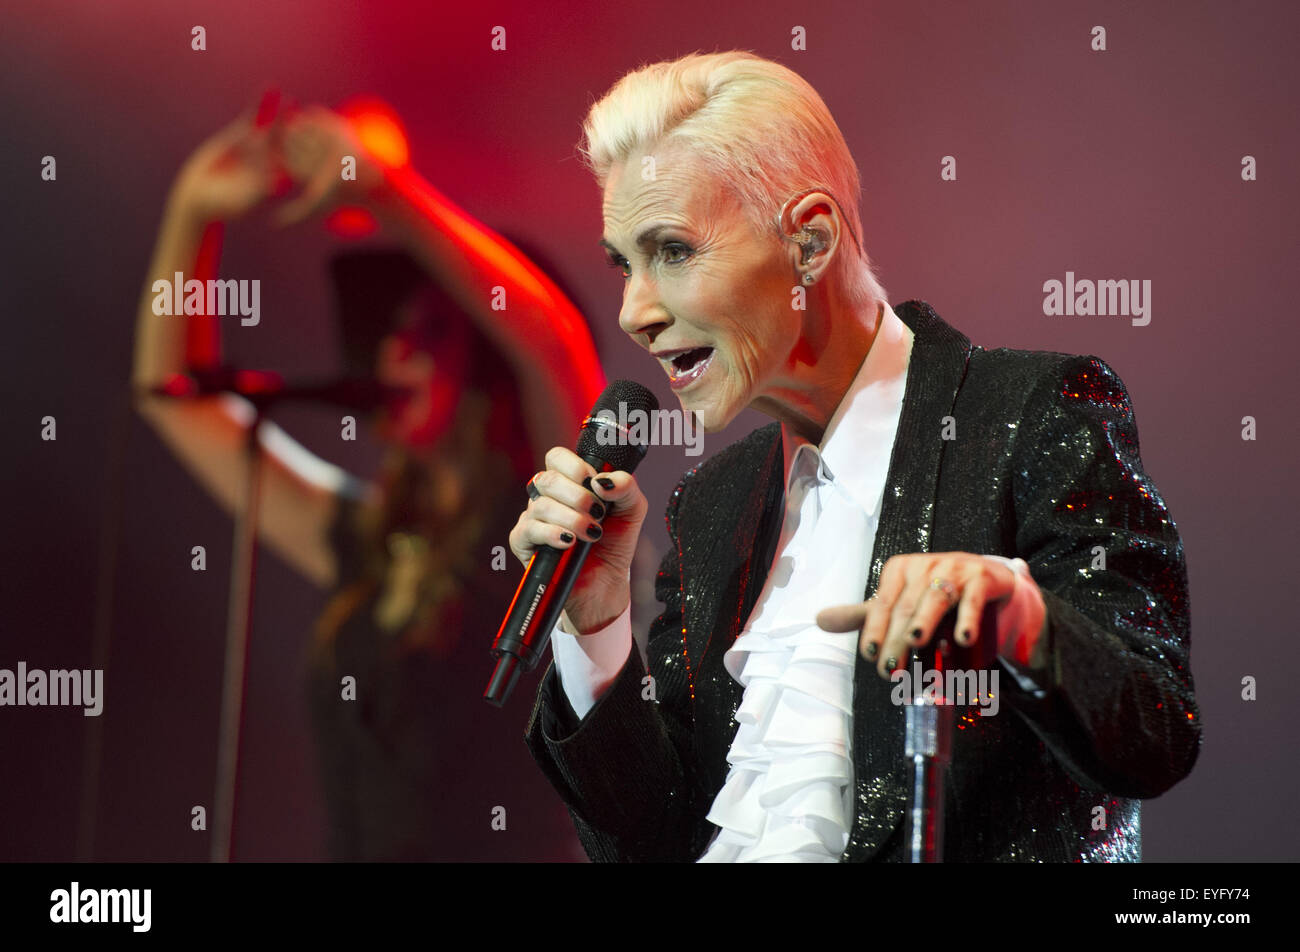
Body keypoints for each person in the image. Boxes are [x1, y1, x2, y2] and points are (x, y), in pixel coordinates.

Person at [509, 51, 1202, 862]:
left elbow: (1156, 730)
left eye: (672, 251)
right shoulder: (713, 504)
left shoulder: (1029, 410)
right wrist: (594, 627)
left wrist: (1017, 616)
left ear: (809, 241)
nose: (634, 311)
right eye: (623, 264)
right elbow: (652, 841)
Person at [131, 95, 602, 860]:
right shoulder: (368, 541)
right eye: (387, 337)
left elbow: (549, 342)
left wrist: (382, 189)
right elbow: (173, 400)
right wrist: (193, 209)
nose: (391, 358)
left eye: (427, 334)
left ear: (484, 359)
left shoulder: (549, 529)